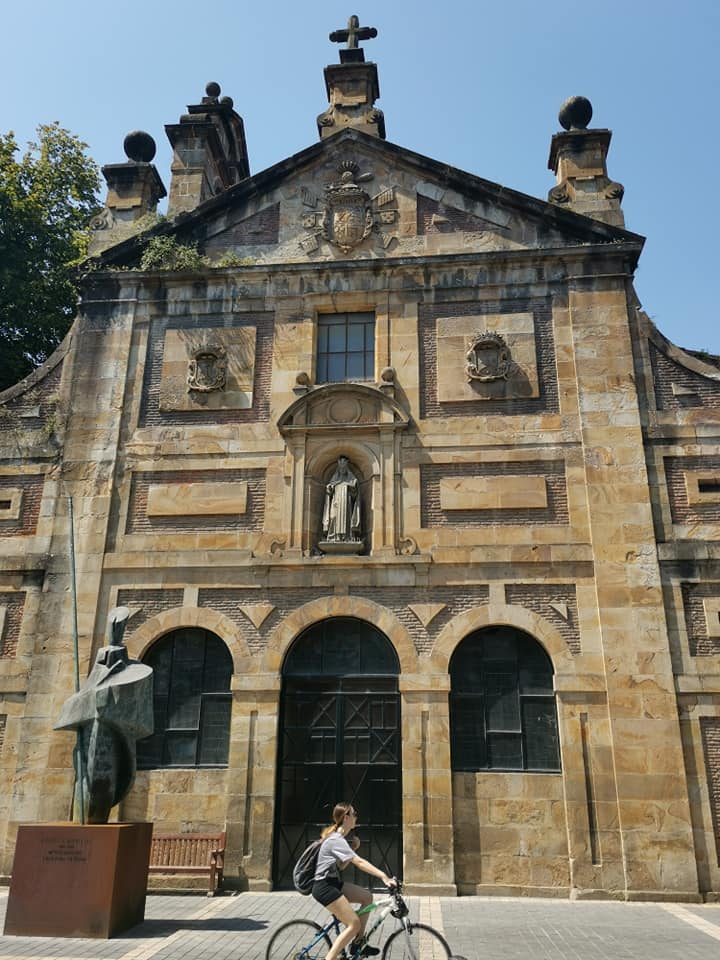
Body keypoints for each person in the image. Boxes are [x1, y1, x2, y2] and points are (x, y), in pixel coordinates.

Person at [311, 802, 396, 960]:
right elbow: (360, 863)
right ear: (346, 818)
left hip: (333, 883)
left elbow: (341, 867)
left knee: (367, 897)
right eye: (354, 814)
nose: (356, 817)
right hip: (324, 887)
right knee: (354, 924)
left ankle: (358, 943)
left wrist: (353, 850)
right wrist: (384, 876)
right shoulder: (336, 839)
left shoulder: (339, 838)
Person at [322, 457, 361, 542]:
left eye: (344, 467)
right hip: (336, 502)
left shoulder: (351, 480)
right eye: (341, 468)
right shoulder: (334, 479)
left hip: (346, 502)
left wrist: (350, 486)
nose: (342, 469)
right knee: (333, 517)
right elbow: (329, 491)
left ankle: (347, 537)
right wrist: (329, 488)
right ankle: (333, 536)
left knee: (346, 518)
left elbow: (355, 492)